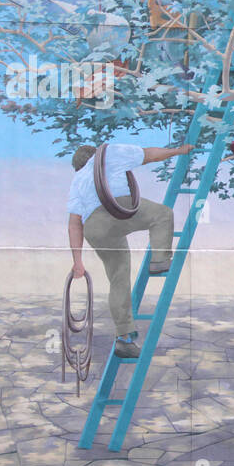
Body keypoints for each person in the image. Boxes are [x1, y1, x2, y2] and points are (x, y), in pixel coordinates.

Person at [67, 141, 193, 358]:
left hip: (95, 229)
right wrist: (178, 151)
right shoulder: (108, 154)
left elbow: (74, 223)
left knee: (118, 280)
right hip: (116, 208)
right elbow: (150, 154)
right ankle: (159, 261)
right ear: (94, 155)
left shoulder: (77, 180)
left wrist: (77, 262)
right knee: (162, 215)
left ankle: (124, 339)